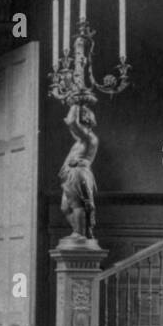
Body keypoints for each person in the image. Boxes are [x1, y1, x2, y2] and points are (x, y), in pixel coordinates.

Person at [59, 94, 100, 241]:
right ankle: (81, 231)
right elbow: (71, 124)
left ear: (85, 120)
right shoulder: (81, 140)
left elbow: (71, 122)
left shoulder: (89, 137)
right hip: (71, 174)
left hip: (78, 173)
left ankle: (80, 234)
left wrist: (76, 104)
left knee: (77, 205)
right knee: (65, 207)